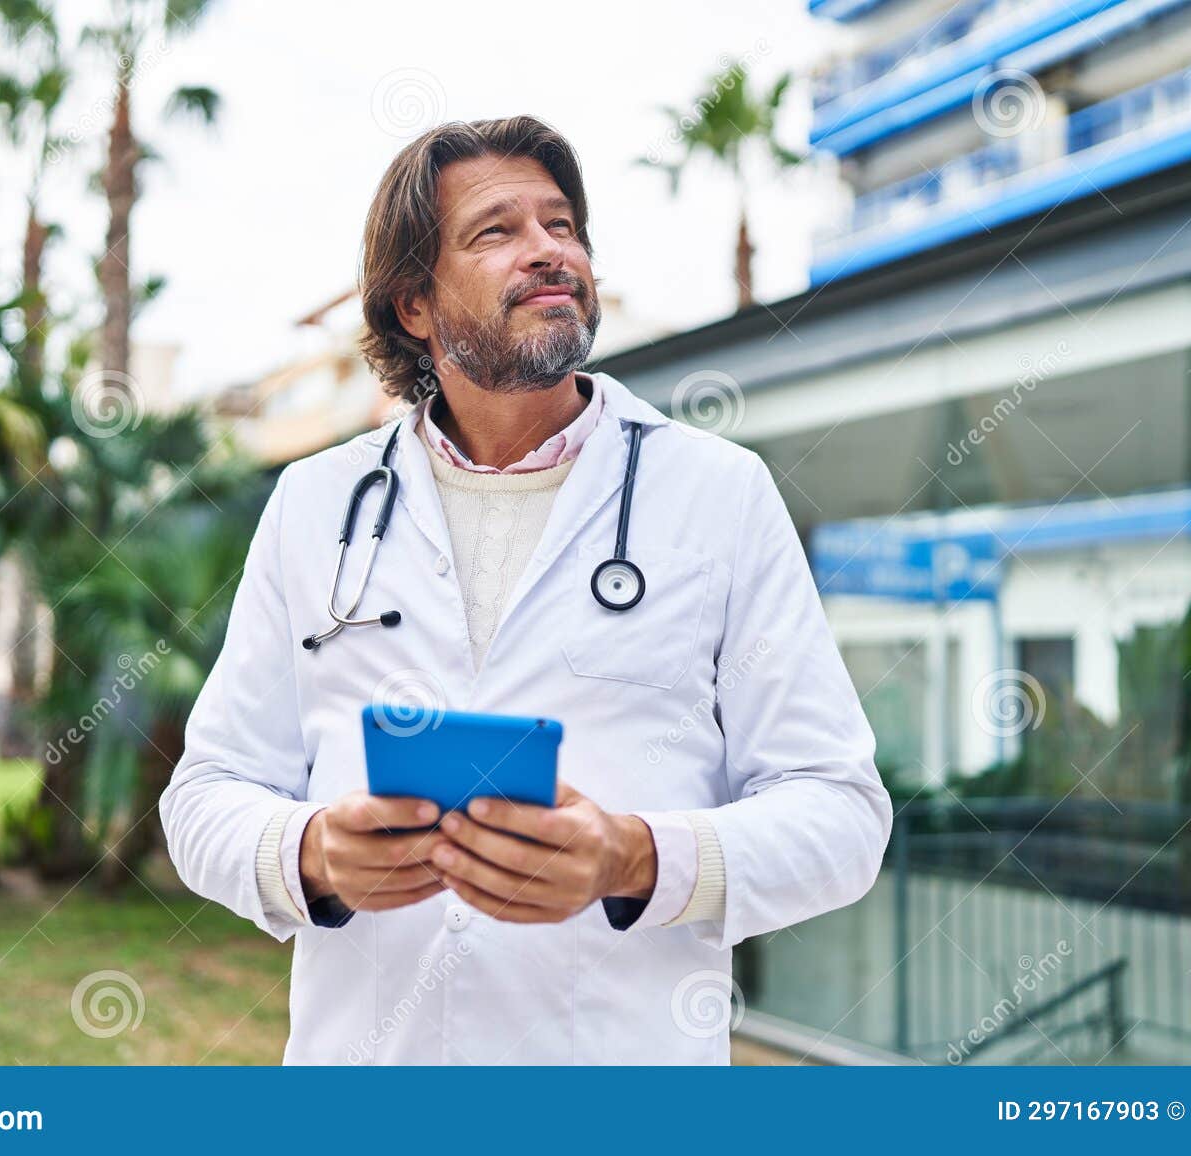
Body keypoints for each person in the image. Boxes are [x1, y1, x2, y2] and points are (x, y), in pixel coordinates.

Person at [159, 115, 892, 1065]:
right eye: (497, 232)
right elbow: (207, 792)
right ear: (414, 306)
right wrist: (310, 854)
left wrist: (636, 857)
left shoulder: (718, 494)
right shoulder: (316, 503)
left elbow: (841, 814)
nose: (551, 252)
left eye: (562, 225)